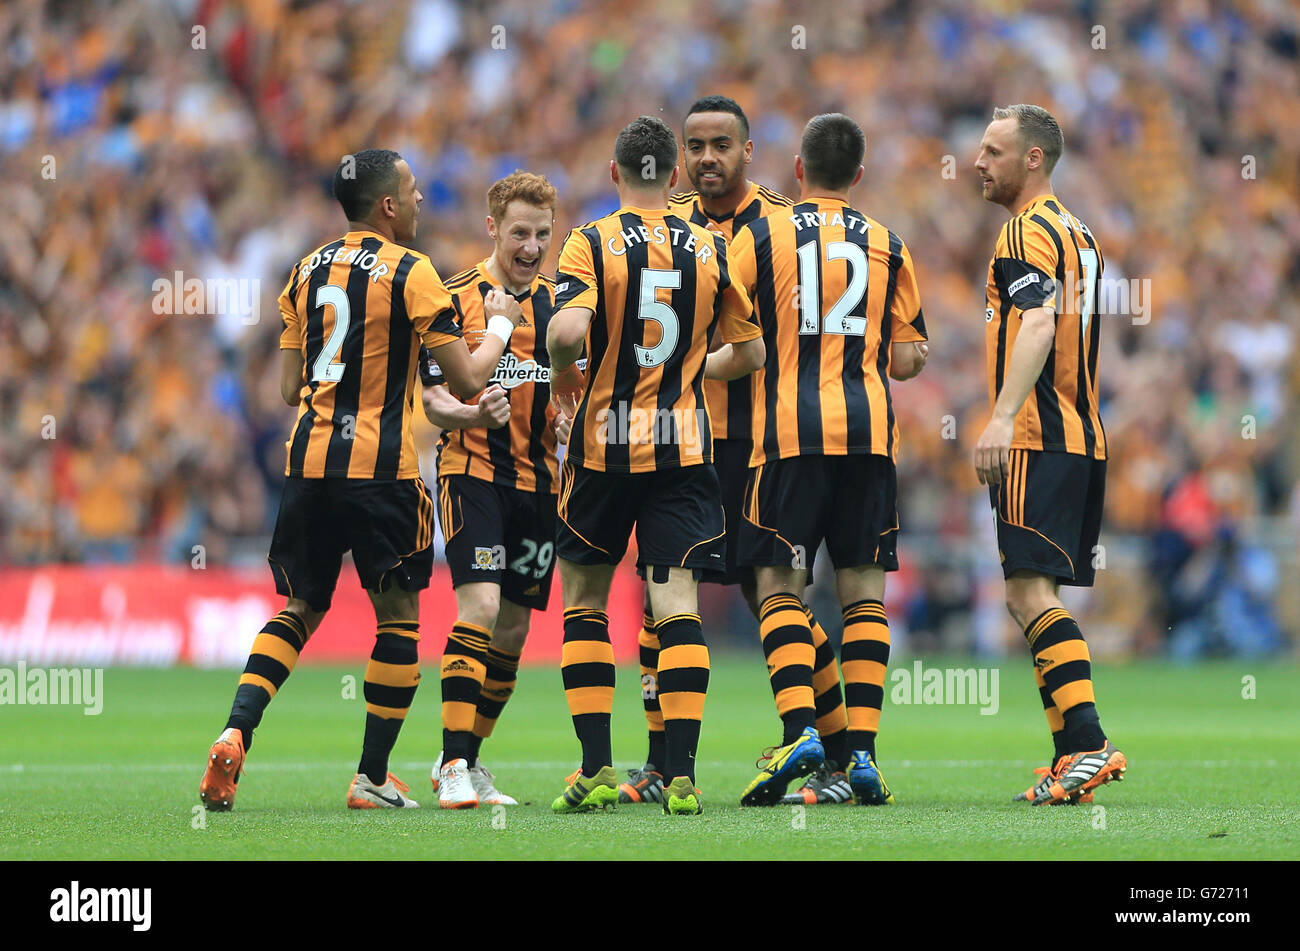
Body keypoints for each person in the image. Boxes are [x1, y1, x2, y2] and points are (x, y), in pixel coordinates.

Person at [198, 149, 525, 811]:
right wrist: (500, 323)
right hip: (381, 471)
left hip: (309, 463)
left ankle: (236, 727)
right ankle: (372, 776)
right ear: (387, 205)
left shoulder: (303, 269)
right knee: (399, 617)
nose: (421, 200)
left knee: (298, 609)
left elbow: (289, 387)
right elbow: (466, 377)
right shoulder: (413, 270)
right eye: (412, 190)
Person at [620, 96, 853, 809]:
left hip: (760, 443)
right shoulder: (670, 227)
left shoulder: (784, 225)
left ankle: (835, 751)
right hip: (681, 443)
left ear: (749, 151)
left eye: (722, 144)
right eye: (696, 145)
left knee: (770, 595)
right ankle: (664, 762)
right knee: (663, 607)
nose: (707, 157)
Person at [546, 115, 765, 816]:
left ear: (615, 173)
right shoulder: (708, 245)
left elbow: (566, 332)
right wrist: (693, 372)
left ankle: (596, 767)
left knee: (584, 600)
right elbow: (753, 354)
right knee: (676, 608)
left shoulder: (591, 241)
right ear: (673, 176)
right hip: (684, 451)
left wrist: (562, 380)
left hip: (602, 450)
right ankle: (684, 777)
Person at [727, 113, 930, 806]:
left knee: (779, 586)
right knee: (863, 595)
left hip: (786, 435)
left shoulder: (761, 234)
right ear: (860, 176)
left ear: (798, 170)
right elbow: (906, 359)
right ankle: (864, 756)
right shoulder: (889, 243)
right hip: (869, 437)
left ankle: (799, 732)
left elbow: (738, 336)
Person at [972, 104, 1127, 804]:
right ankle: (1071, 756)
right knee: (1030, 593)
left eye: (994, 150)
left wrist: (1002, 416)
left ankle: (1089, 743)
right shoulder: (1082, 233)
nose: (979, 161)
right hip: (1082, 436)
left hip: (1039, 435)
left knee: (1028, 592)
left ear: (1033, 158)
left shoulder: (1023, 232)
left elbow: (1038, 320)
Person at [418, 171, 572, 808]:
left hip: (539, 486)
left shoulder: (565, 303)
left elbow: (570, 386)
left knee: (511, 631)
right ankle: (454, 765)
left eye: (541, 233)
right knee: (479, 609)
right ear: (492, 229)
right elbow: (432, 401)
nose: (531, 246)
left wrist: (567, 418)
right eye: (519, 233)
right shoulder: (455, 295)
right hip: (473, 474)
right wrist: (472, 415)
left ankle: (467, 759)